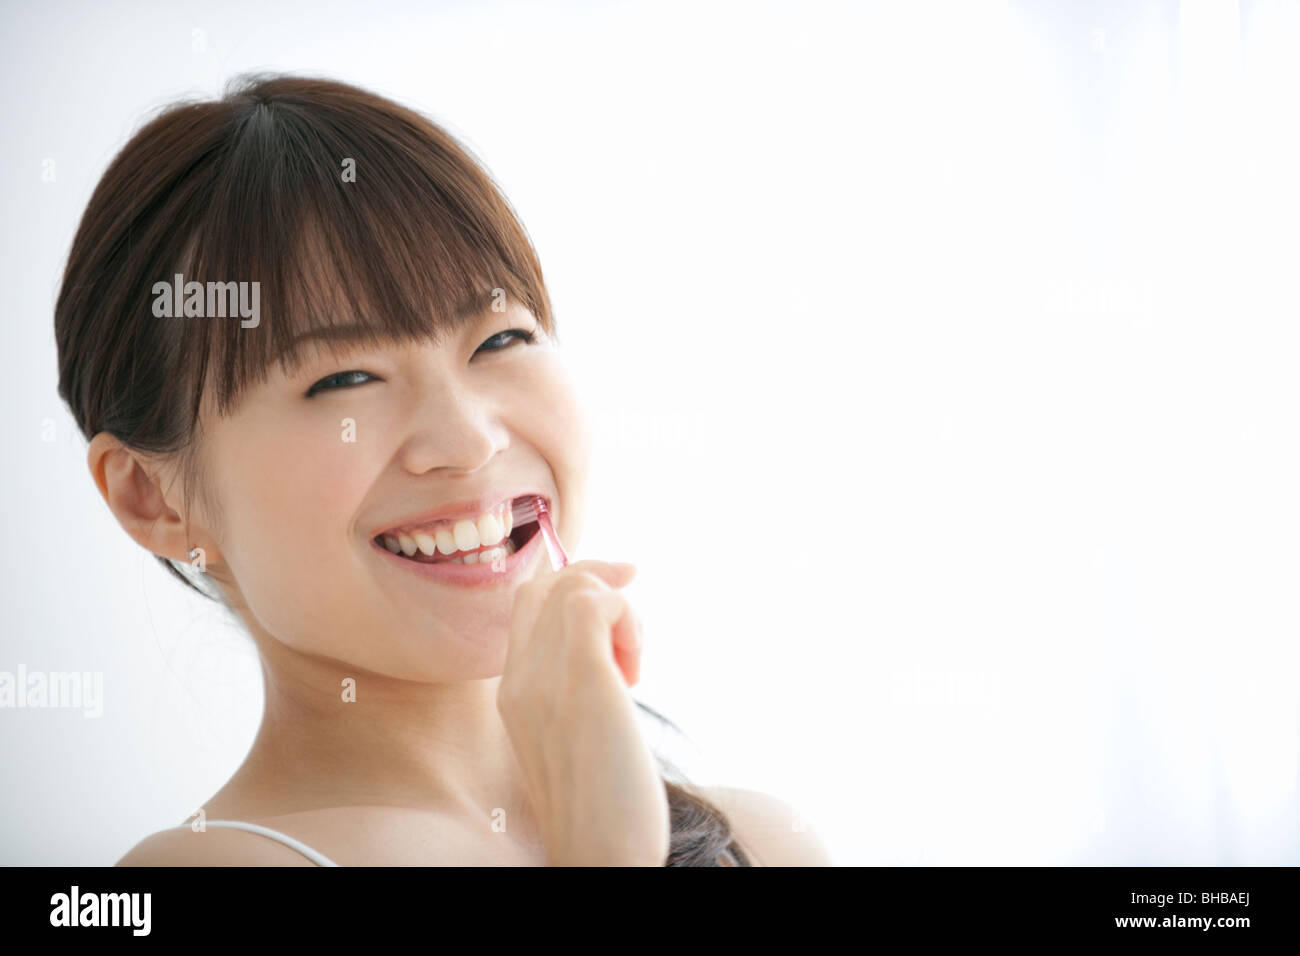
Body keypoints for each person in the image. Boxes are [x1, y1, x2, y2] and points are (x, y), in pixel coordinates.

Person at [55, 73, 832, 866]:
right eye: (343, 380)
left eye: (500, 340)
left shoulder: (764, 844)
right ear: (152, 496)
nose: (467, 441)